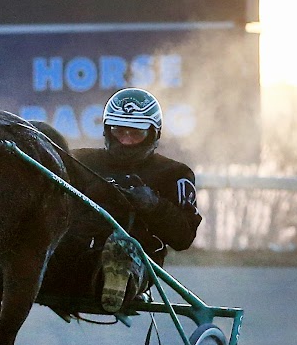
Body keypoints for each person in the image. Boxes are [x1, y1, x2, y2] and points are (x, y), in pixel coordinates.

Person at [66, 87, 202, 312]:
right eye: (119, 132)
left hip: (139, 260)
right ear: (107, 130)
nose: (126, 141)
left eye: (136, 133)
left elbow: (184, 238)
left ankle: (116, 279)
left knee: (123, 255)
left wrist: (154, 205)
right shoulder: (78, 160)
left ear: (154, 134)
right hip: (74, 255)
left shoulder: (175, 174)